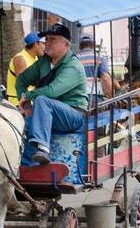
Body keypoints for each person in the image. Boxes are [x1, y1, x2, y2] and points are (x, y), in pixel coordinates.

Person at [16, 22, 87, 165]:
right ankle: (24, 168)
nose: (47, 43)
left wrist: (28, 96)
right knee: (22, 124)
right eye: (46, 39)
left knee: (42, 100)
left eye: (52, 40)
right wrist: (27, 105)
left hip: (73, 115)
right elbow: (21, 81)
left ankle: (43, 149)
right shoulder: (44, 62)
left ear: (66, 45)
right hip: (46, 113)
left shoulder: (74, 66)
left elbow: (52, 91)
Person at [77, 33, 115, 109]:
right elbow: (106, 79)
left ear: (80, 45)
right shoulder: (100, 58)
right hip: (94, 99)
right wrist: (112, 98)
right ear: (93, 44)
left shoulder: (74, 59)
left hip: (77, 100)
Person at [6, 31, 45, 102]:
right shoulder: (20, 59)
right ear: (36, 44)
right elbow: (21, 86)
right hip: (18, 102)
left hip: (32, 98)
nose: (45, 47)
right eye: (43, 44)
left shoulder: (35, 58)